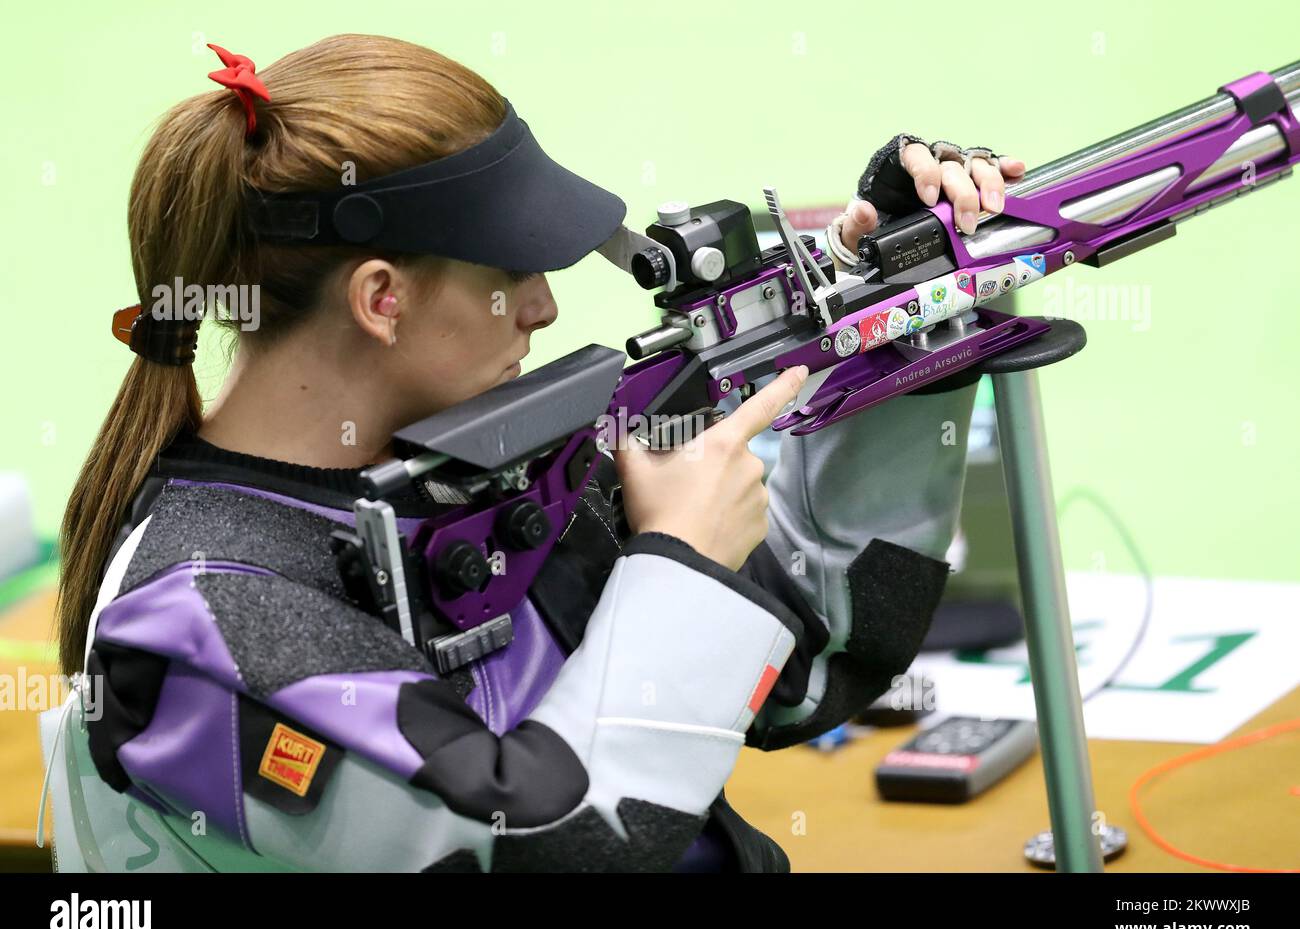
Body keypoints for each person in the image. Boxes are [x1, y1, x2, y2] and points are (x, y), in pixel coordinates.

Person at [41, 33, 1023, 872]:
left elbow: (811, 663)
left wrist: (909, 320)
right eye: (513, 272)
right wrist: (674, 566)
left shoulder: (481, 474)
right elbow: (552, 840)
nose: (546, 307)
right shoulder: (202, 621)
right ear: (381, 298)